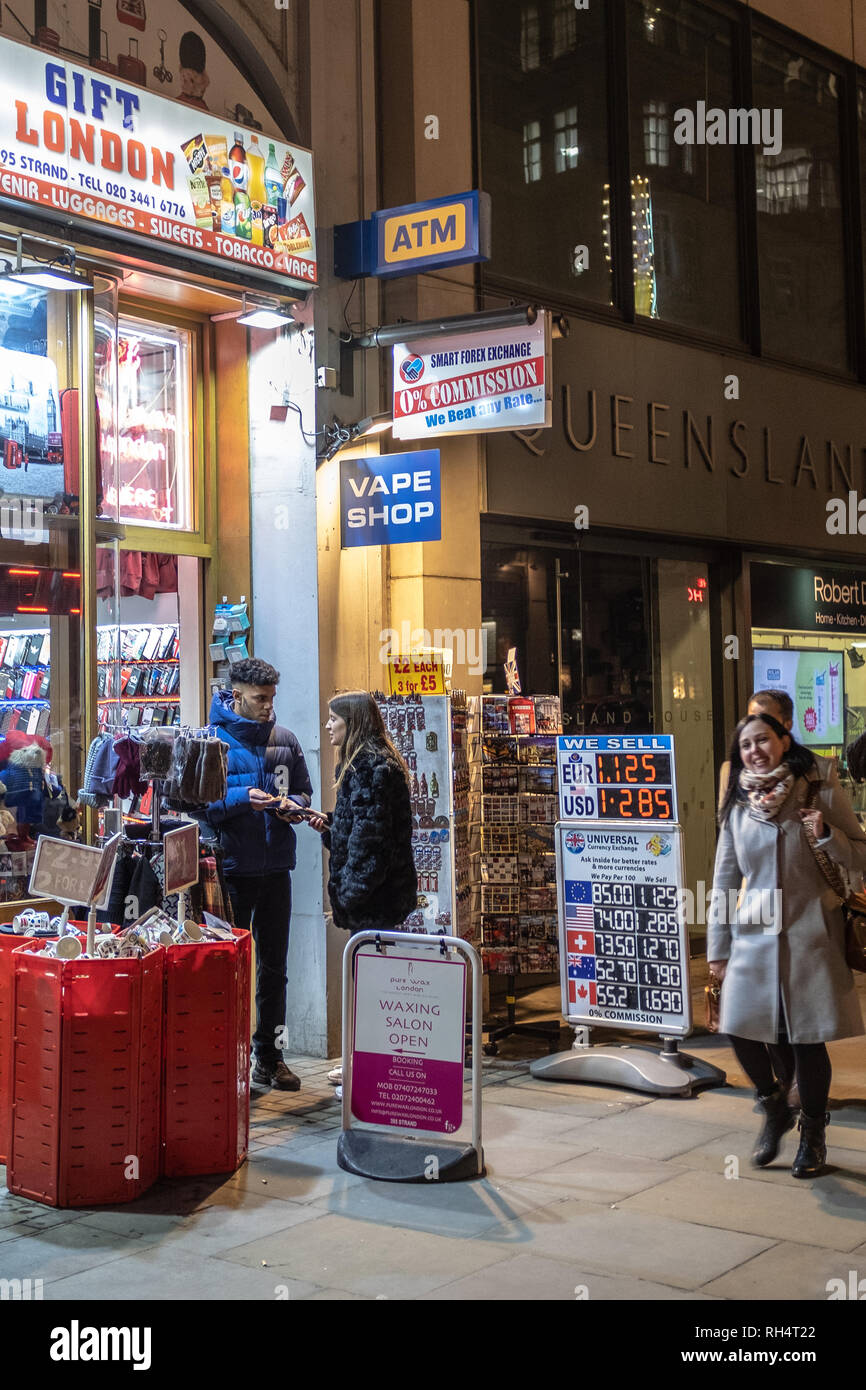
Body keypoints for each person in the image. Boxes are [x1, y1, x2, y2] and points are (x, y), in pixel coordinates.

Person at [708, 711, 866, 1177]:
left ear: (783, 740)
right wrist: (717, 945)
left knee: (806, 1040)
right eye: (745, 746)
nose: (754, 751)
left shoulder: (821, 789)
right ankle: (774, 1106)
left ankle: (813, 1136)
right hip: (753, 936)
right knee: (738, 1026)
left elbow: (861, 853)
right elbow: (723, 881)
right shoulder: (738, 805)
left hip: (811, 931)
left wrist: (825, 834)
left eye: (763, 740)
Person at [203, 658, 312, 1092]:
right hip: (232, 872)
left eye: (271, 698)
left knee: (275, 970)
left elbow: (304, 788)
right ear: (236, 696)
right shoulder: (212, 741)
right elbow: (200, 804)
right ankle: (225, 1062)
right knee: (228, 968)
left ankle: (270, 1056)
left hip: (276, 870)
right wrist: (241, 799)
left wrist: (295, 806)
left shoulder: (285, 740)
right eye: (259, 699)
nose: (268, 707)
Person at [307, 692, 418, 1093]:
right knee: (368, 988)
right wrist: (330, 826)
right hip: (376, 899)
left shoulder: (371, 767)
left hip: (374, 903)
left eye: (333, 719)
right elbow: (359, 828)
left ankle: (366, 1075)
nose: (327, 726)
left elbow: (371, 843)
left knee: (372, 992)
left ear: (351, 722)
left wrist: (350, 892)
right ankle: (359, 1063)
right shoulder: (367, 765)